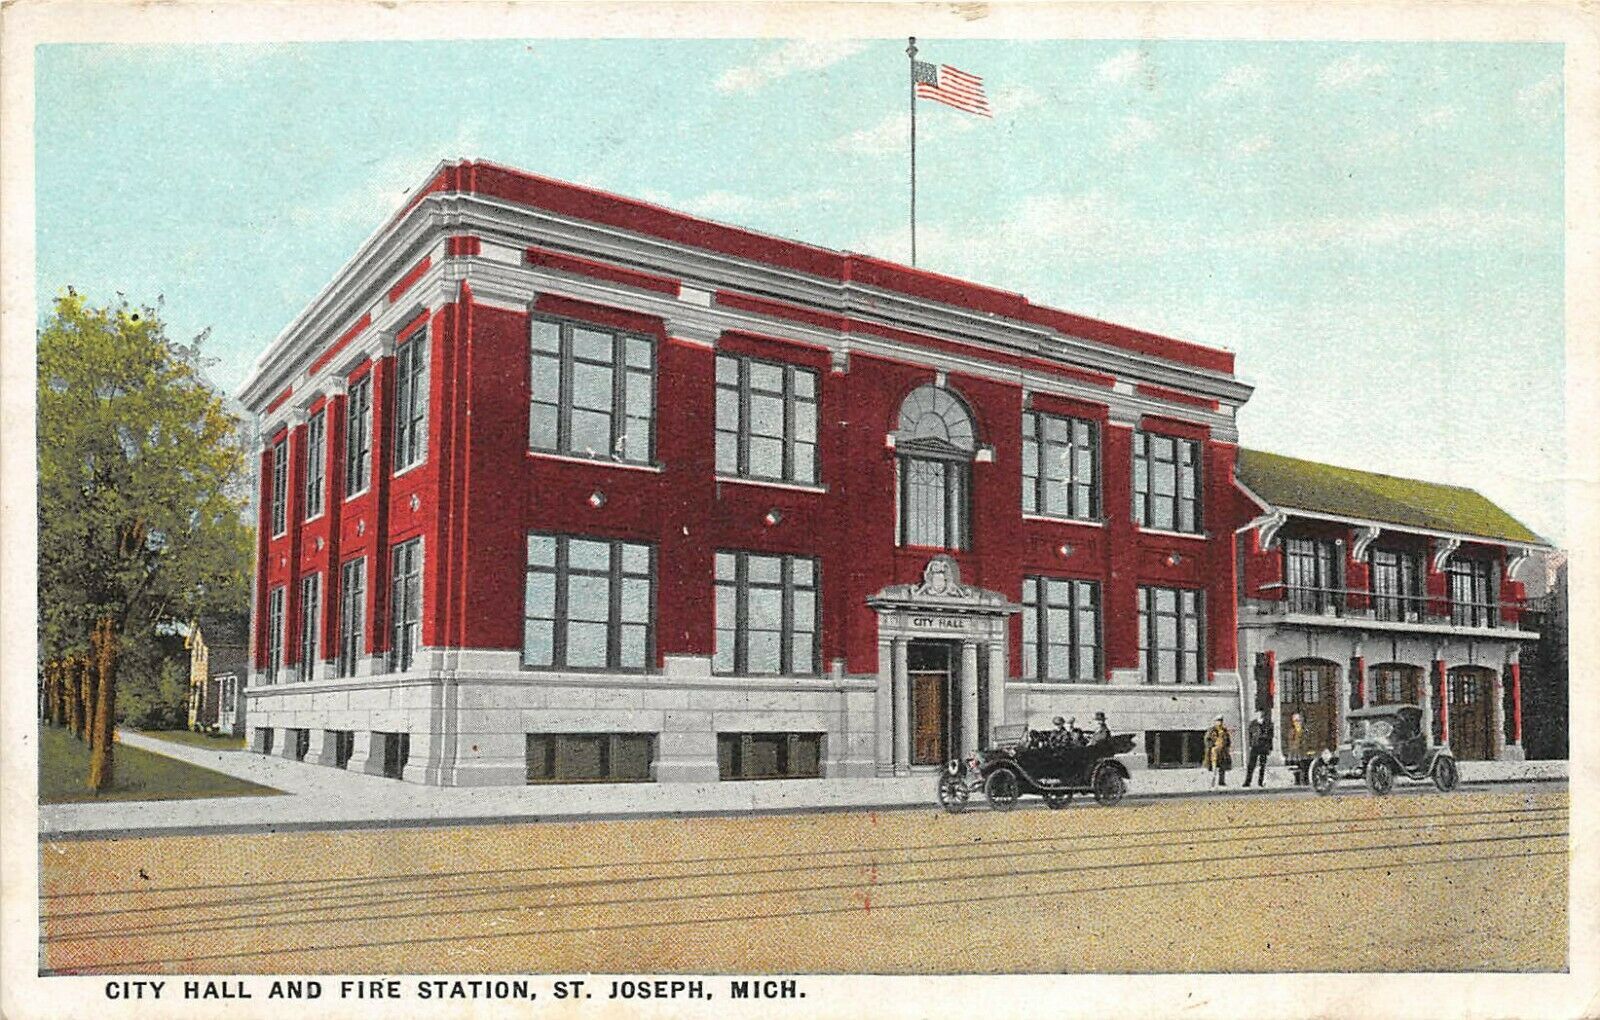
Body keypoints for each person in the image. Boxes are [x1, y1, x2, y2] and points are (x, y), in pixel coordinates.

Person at [1244, 709, 1273, 787]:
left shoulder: (1268, 724)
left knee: (1262, 765)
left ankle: (1260, 782)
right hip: (1255, 746)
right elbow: (1250, 735)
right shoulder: (1253, 724)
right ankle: (1247, 781)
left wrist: (1270, 748)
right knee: (1251, 765)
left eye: (1262, 713)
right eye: (1259, 713)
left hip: (1264, 746)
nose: (1260, 714)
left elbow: (1270, 737)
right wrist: (1250, 744)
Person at [1204, 715, 1233, 787]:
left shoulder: (1224, 730)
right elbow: (1207, 739)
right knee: (1214, 767)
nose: (1220, 723)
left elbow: (1228, 740)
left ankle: (1221, 782)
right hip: (1214, 751)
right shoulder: (1212, 730)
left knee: (1222, 767)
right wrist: (1212, 746)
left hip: (1223, 752)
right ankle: (1212, 782)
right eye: (1218, 721)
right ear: (1215, 722)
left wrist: (1227, 747)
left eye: (1221, 721)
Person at [1287, 712, 1309, 786]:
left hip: (1304, 753)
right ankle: (1297, 781)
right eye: (1295, 721)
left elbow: (1308, 741)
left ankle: (1306, 781)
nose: (1297, 723)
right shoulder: (1292, 731)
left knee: (1305, 767)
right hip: (1295, 753)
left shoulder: (1305, 730)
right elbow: (1291, 742)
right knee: (1296, 768)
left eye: (1299, 720)